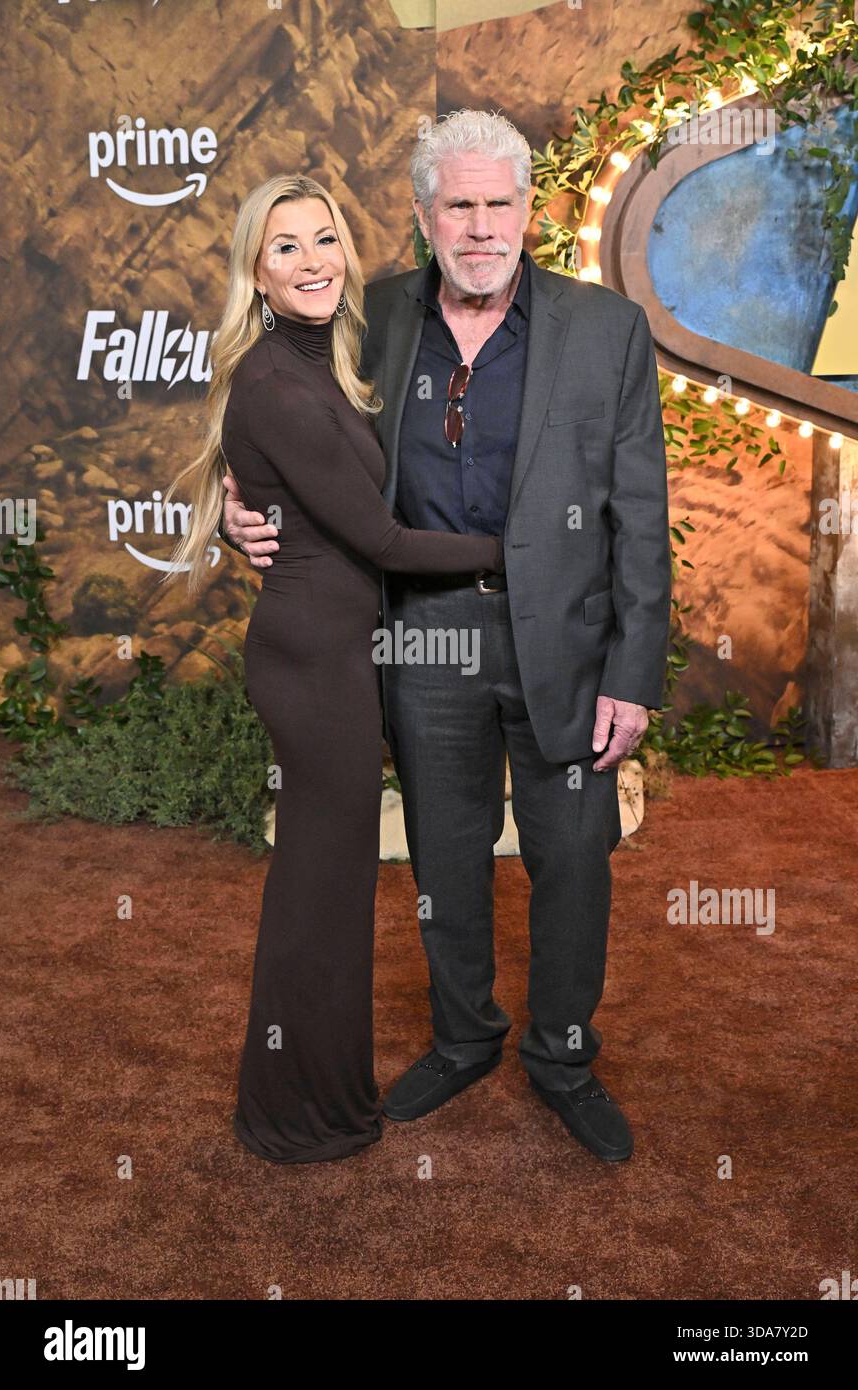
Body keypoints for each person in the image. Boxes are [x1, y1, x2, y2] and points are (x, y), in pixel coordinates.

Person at [223, 110, 672, 1163]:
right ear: (425, 218)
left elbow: (640, 519)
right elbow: (283, 433)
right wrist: (242, 518)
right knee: (445, 855)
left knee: (572, 857)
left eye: (498, 203)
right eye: (458, 205)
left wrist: (634, 673)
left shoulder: (605, 331)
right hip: (422, 639)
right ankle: (465, 1035)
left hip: (564, 640)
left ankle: (563, 1056)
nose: (480, 227)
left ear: (531, 211)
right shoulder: (365, 316)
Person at [163, 174, 503, 1165]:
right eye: (285, 249)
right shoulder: (275, 382)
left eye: (325, 240)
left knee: (329, 889)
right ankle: (296, 1113)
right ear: (254, 276)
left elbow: (307, 513)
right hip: (315, 668)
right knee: (320, 893)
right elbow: (383, 541)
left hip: (334, 655)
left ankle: (309, 1097)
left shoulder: (318, 363)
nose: (313, 261)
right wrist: (509, 548)